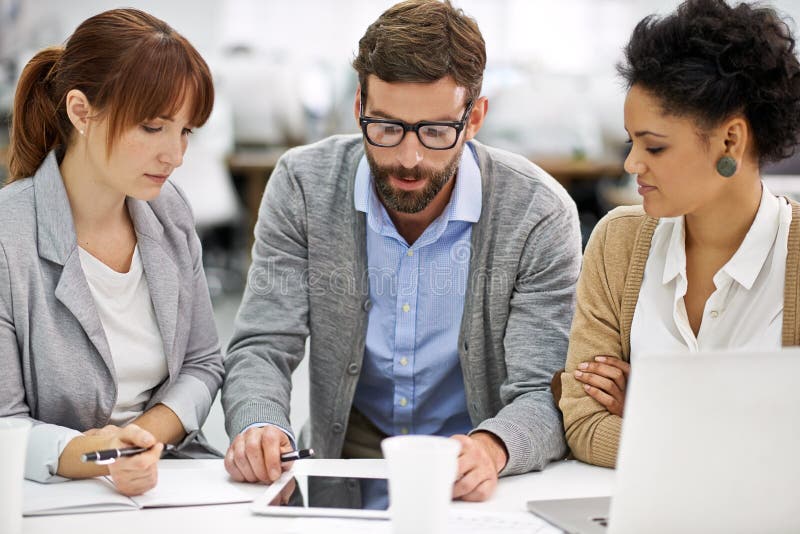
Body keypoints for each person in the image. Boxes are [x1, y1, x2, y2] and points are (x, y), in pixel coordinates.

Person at [222, 0, 581, 506]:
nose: (408, 159)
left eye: (435, 131)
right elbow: (262, 345)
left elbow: (544, 392)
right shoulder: (303, 185)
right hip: (347, 456)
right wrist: (260, 424)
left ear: (474, 117)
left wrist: (493, 446)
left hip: (479, 467)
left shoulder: (537, 213)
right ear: (358, 108)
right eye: (386, 127)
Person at [558, 0, 800, 468]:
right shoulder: (617, 242)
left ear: (730, 141)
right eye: (632, 142)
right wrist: (740, 437)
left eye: (655, 146)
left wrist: (651, 413)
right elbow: (584, 423)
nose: (632, 164)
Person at [0, 9, 223, 495]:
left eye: (185, 131)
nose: (175, 155)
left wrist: (144, 439)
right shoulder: (8, 236)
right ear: (82, 112)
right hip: (49, 493)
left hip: (169, 478)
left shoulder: (170, 213)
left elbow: (204, 363)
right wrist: (98, 458)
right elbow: (4, 424)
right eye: (152, 127)